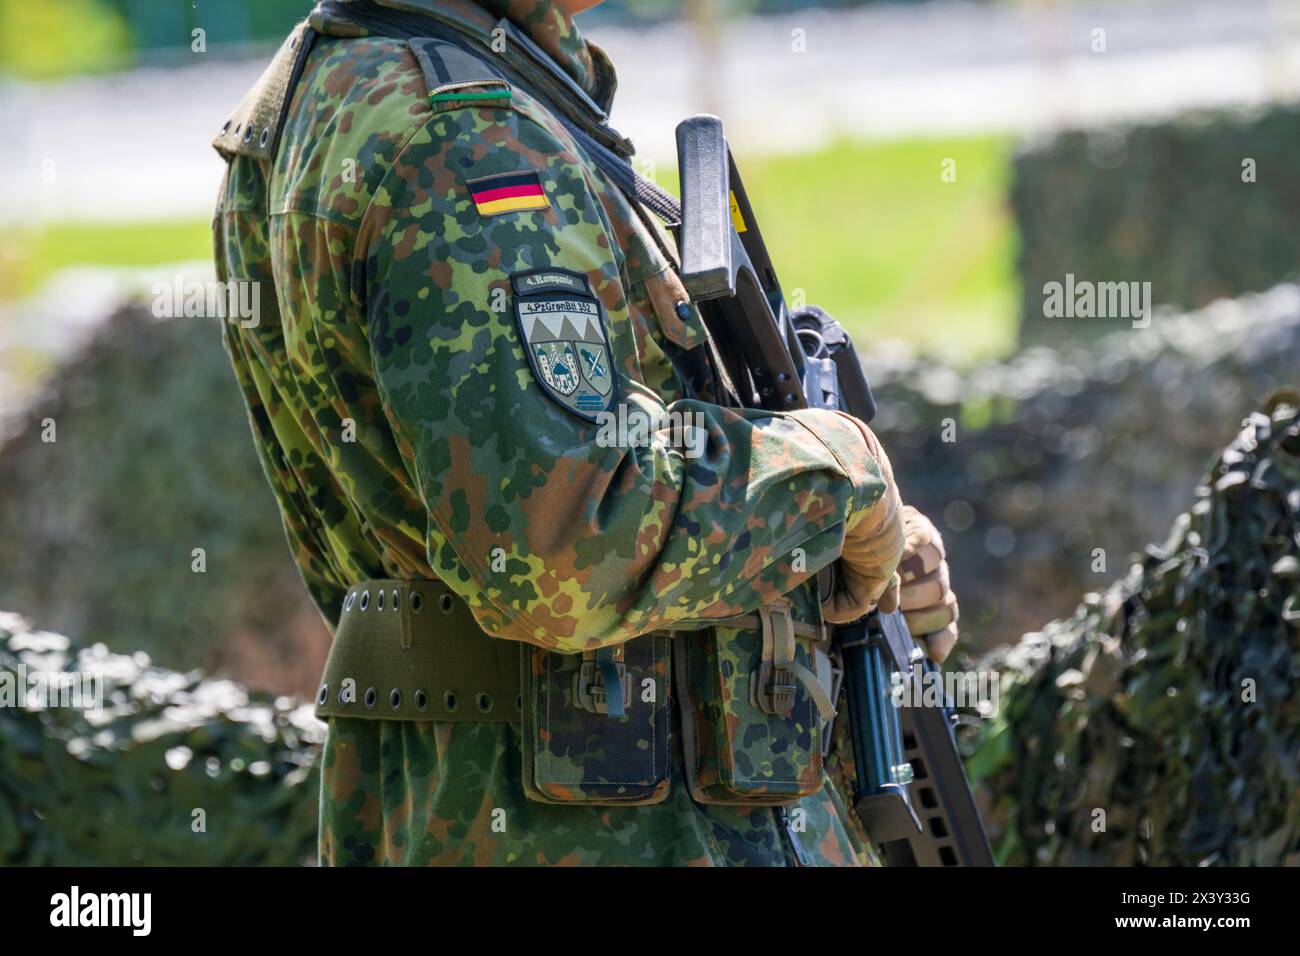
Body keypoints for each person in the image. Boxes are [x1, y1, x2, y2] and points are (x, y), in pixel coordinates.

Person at [211, 0, 959, 866]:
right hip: (599, 825)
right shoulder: (464, 139)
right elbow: (565, 535)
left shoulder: (338, 93)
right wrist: (836, 478)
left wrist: (828, 555)